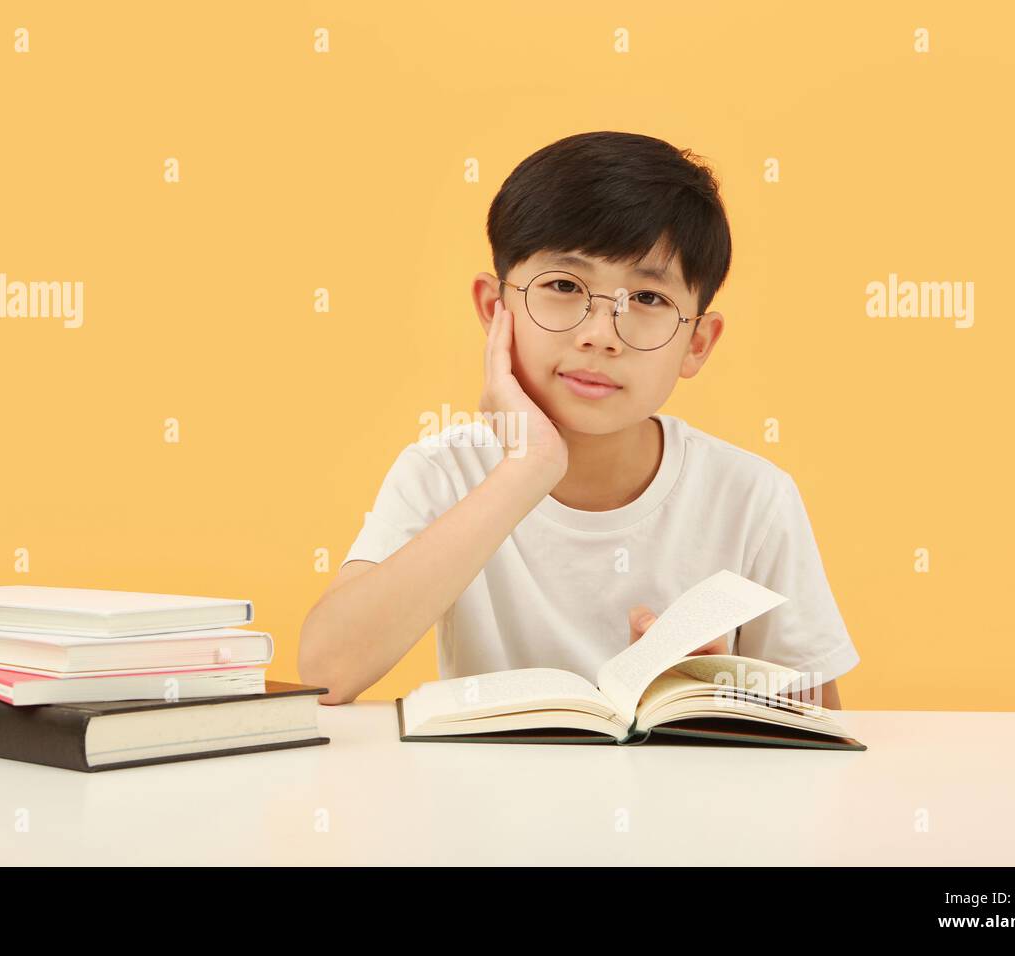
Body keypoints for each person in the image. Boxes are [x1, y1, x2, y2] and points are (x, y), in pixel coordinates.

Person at [299, 130, 858, 708]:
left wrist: (725, 692)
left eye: (647, 300)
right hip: (487, 798)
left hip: (682, 797)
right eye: (563, 286)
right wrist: (528, 467)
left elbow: (821, 727)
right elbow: (328, 671)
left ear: (698, 342)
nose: (599, 336)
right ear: (496, 311)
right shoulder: (442, 472)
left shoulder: (751, 497)